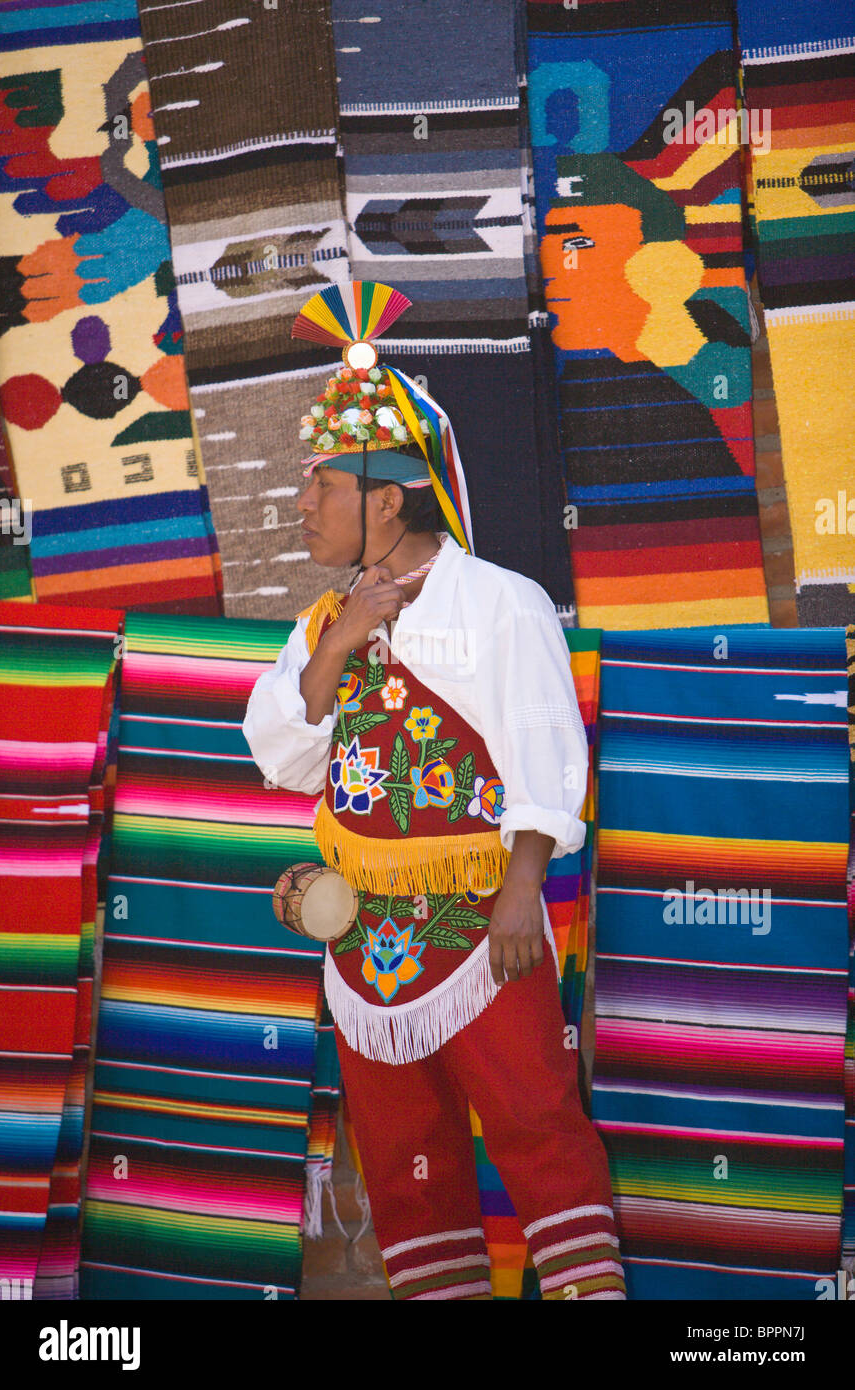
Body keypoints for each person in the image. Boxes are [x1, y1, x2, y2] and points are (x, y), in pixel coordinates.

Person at [242, 281, 625, 1301]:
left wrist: (520, 887)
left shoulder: (500, 603)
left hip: (476, 932)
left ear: (385, 498)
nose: (300, 505)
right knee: (405, 1158)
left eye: (319, 486)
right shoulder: (322, 620)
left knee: (535, 1123)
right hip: (365, 949)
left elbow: (545, 749)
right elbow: (281, 753)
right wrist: (341, 641)